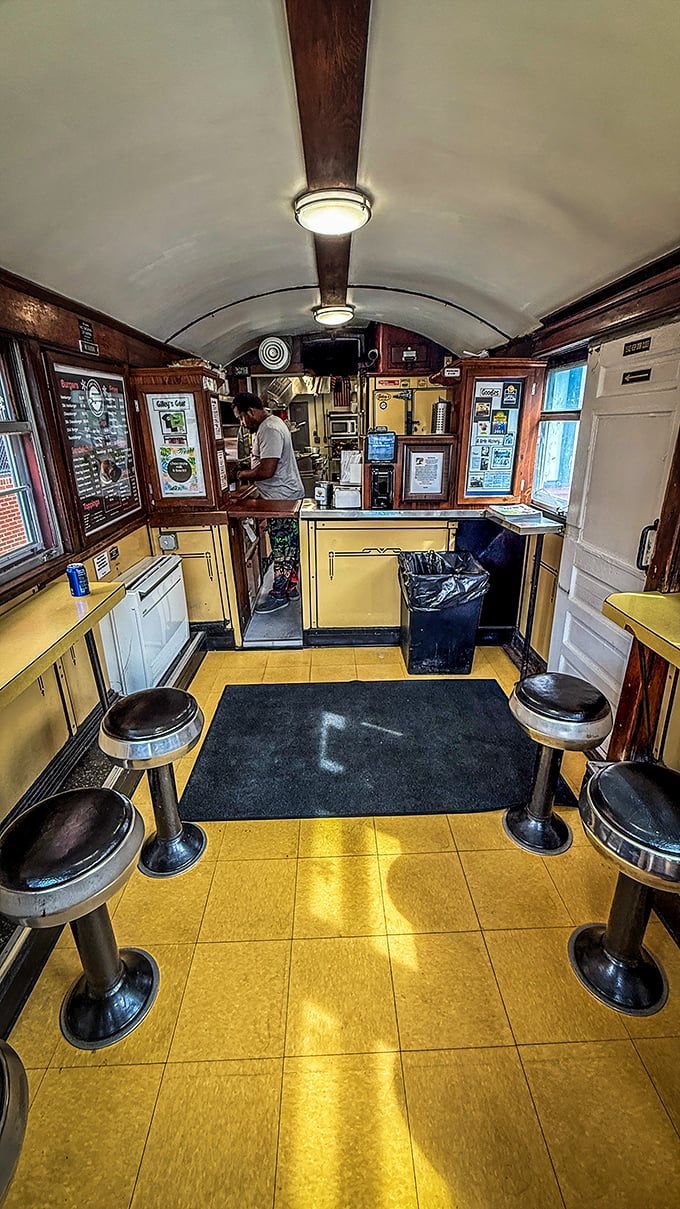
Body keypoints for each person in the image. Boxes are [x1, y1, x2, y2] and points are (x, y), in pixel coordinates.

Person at [232, 392, 304, 612]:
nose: (242, 424)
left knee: (283, 548)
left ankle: (279, 595)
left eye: (241, 418)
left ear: (251, 412)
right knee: (290, 547)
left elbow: (267, 470)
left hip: (281, 500)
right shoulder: (270, 425)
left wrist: (242, 475)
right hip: (282, 497)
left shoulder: (270, 429)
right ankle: (291, 588)